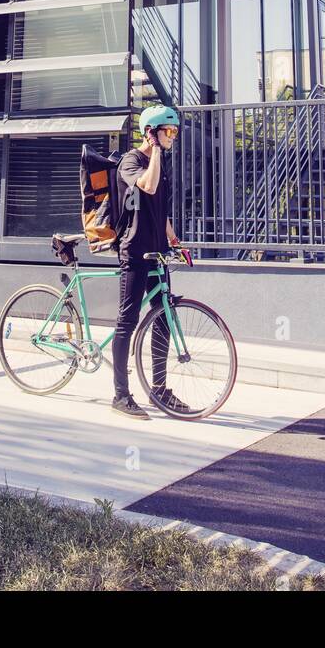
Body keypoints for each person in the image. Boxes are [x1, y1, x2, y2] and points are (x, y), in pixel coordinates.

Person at [111, 104, 190, 418]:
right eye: (167, 131)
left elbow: (159, 206)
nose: (173, 136)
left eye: (174, 131)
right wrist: (154, 150)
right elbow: (148, 185)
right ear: (151, 132)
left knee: (163, 319)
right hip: (135, 251)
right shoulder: (131, 161)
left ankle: (159, 390)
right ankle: (120, 395)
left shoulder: (161, 161)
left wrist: (173, 238)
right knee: (127, 321)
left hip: (157, 252)